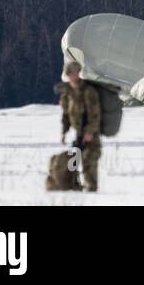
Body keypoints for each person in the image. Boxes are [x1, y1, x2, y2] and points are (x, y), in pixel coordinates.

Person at [57, 61, 102, 192]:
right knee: (72, 160)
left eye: (76, 72)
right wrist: (64, 132)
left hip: (91, 134)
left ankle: (91, 190)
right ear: (68, 74)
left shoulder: (88, 91)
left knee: (89, 161)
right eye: (72, 73)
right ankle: (75, 186)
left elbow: (95, 115)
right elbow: (66, 115)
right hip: (78, 133)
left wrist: (89, 132)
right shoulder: (67, 93)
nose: (74, 75)